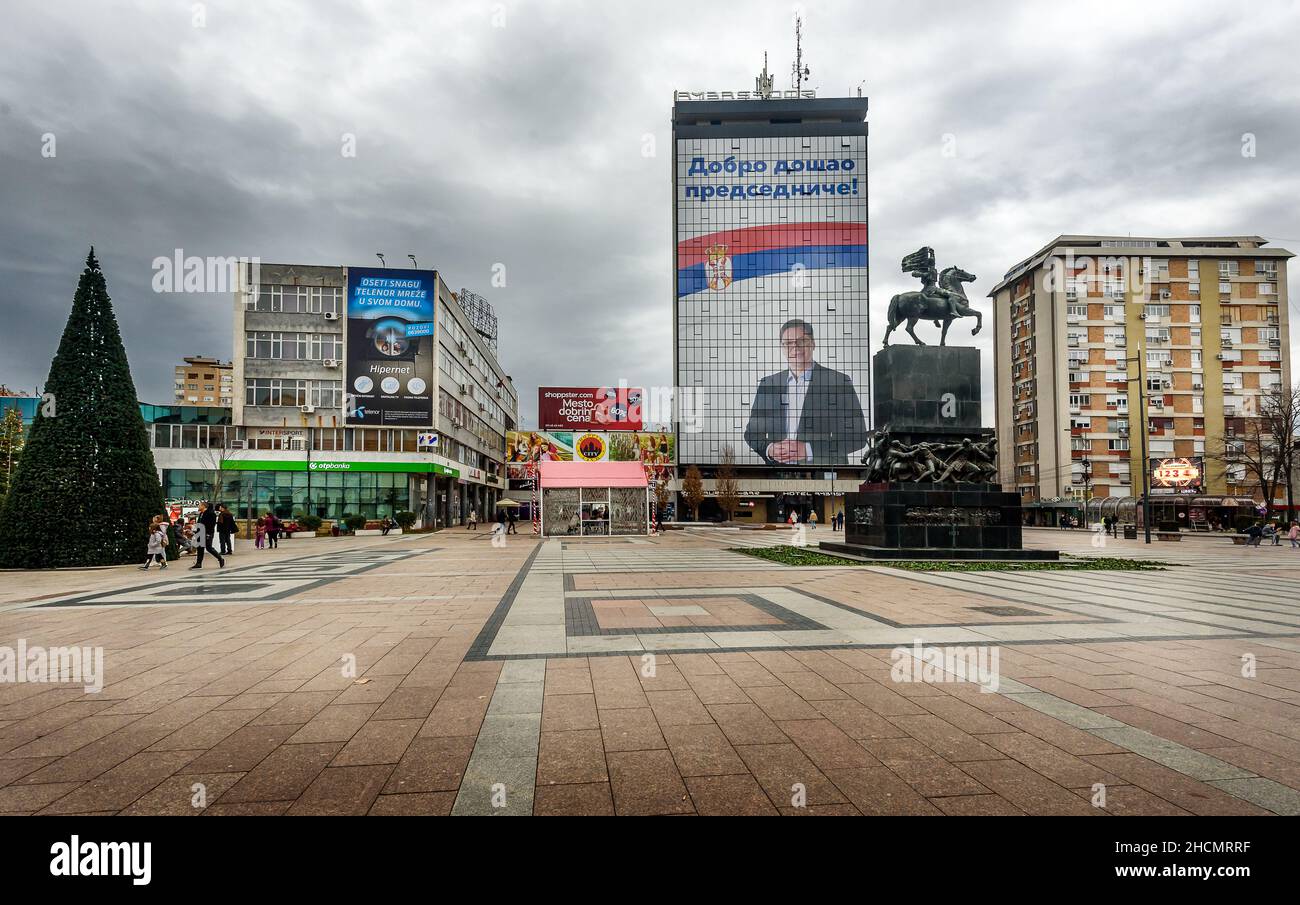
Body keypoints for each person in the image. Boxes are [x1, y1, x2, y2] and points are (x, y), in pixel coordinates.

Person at [744, 319, 869, 465]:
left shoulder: (838, 382)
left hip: (824, 477)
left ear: (813, 344)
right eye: (788, 343)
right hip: (778, 475)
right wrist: (770, 449)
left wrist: (808, 450)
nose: (795, 347)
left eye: (802, 341)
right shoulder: (768, 384)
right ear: (782, 347)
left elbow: (858, 437)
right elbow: (752, 434)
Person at [191, 501, 225, 570]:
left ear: (204, 506)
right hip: (200, 533)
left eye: (200, 505)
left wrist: (208, 534)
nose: (198, 506)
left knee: (209, 548)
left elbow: (211, 525)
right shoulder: (201, 514)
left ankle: (220, 558)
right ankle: (199, 563)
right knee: (200, 548)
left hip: (207, 533)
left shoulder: (211, 513)